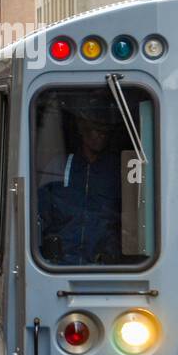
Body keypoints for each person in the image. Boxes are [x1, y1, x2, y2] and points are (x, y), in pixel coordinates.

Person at [37, 100, 124, 265]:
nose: (101, 135)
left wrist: (111, 251)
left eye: (105, 131)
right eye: (96, 129)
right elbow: (41, 213)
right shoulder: (60, 166)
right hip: (59, 265)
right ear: (82, 131)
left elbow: (123, 217)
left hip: (104, 266)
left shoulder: (116, 170)